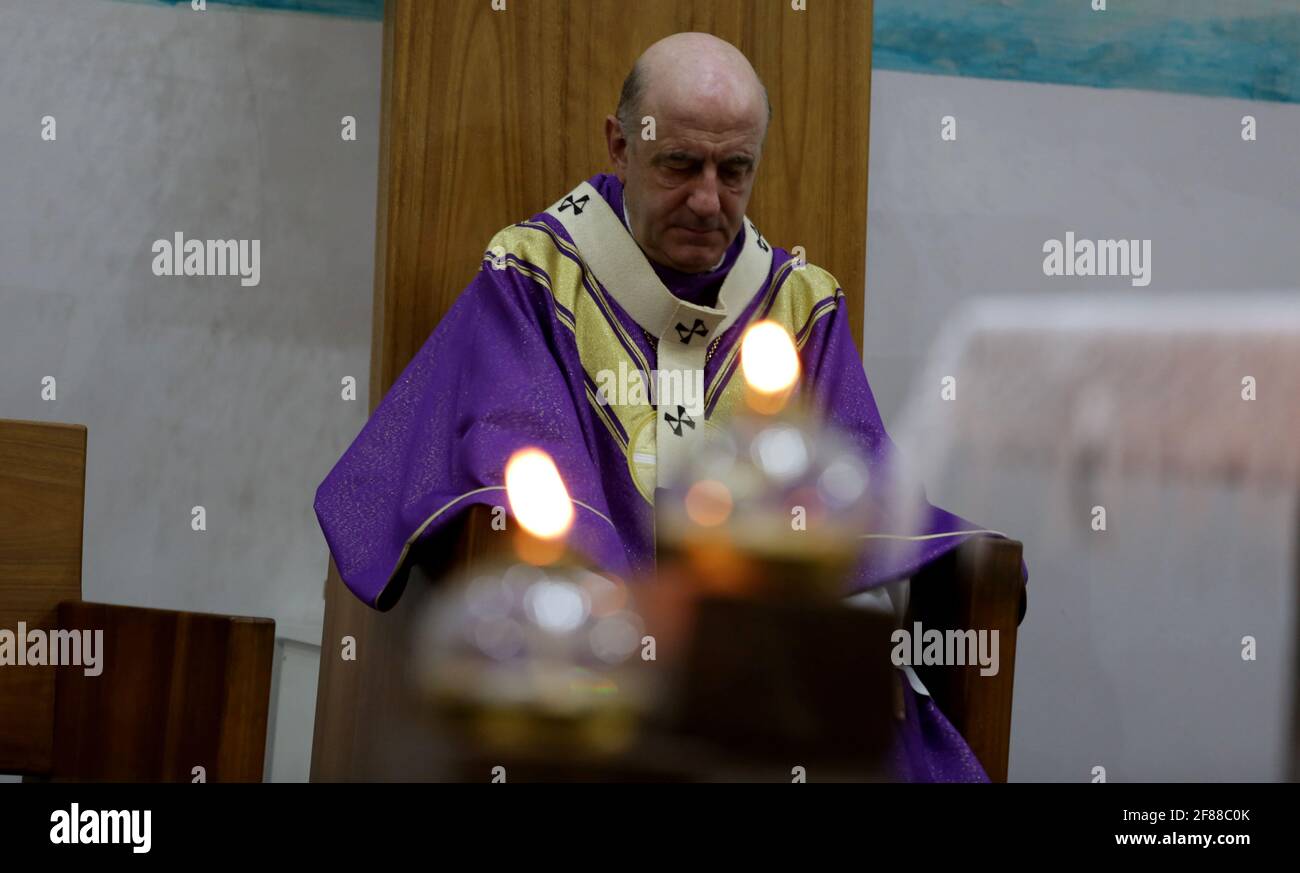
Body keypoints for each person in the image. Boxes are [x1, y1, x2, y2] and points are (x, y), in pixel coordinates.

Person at [315, 32, 1018, 782]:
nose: (709, 201)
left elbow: (858, 497)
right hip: (591, 657)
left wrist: (860, 632)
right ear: (621, 144)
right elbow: (512, 455)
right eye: (680, 165)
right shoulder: (538, 275)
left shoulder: (799, 303)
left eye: (735, 170)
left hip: (766, 675)